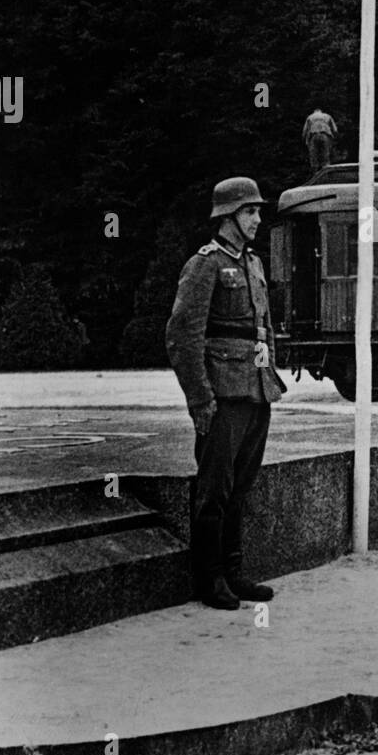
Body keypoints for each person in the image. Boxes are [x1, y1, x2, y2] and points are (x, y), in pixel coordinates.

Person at [166, 177, 287, 609]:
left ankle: (233, 572)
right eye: (251, 211)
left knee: (241, 486)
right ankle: (210, 578)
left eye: (257, 210)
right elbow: (182, 337)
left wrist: (268, 373)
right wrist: (199, 399)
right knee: (214, 489)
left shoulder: (253, 263)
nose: (258, 218)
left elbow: (265, 329)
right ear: (229, 216)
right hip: (222, 394)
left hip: (255, 391)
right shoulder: (205, 264)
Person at [302, 109, 338, 173]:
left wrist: (304, 140)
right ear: (321, 111)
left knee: (314, 157)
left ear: (314, 111)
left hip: (314, 136)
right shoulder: (327, 116)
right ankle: (326, 174)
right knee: (325, 156)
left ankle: (315, 175)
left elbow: (304, 131)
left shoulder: (310, 117)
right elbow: (335, 130)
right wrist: (334, 139)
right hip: (325, 135)